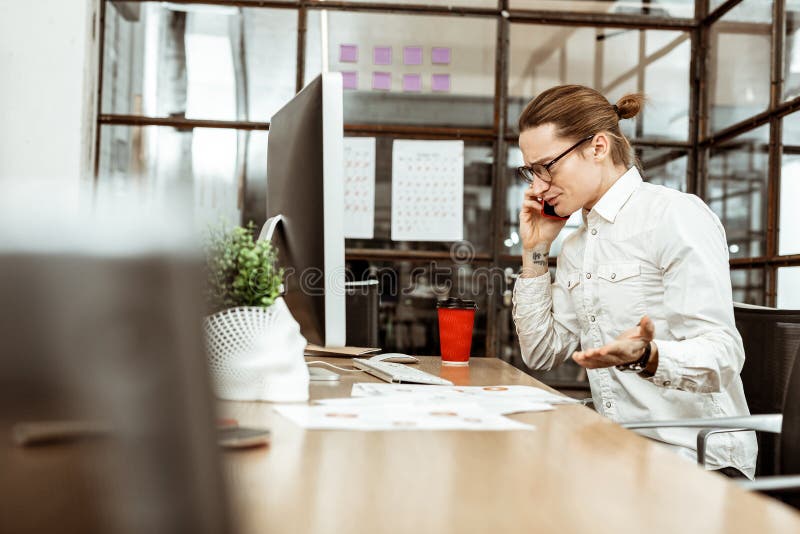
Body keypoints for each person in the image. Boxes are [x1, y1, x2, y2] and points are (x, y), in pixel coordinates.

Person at [512, 84, 757, 478]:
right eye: (530, 171)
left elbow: (723, 355)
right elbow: (541, 353)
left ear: (598, 147)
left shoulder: (673, 216)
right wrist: (534, 252)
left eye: (547, 167)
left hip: (695, 461)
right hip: (619, 454)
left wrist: (648, 357)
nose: (537, 187)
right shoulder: (575, 245)